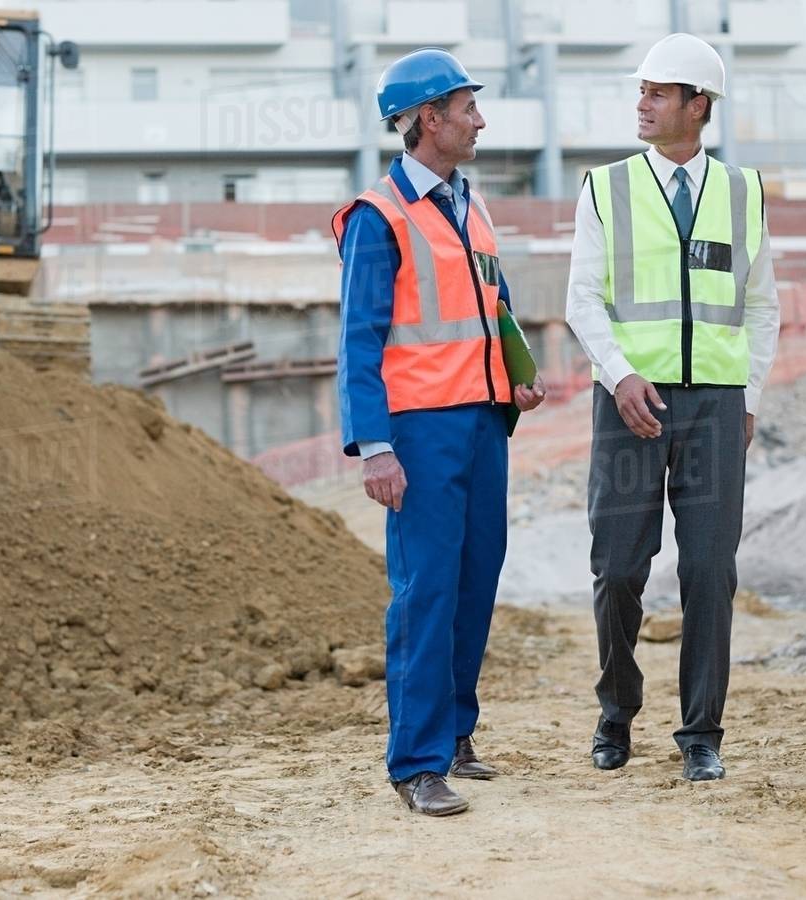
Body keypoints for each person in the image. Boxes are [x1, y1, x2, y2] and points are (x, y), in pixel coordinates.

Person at [333, 48, 546, 817]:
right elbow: (358, 341)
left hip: (486, 422)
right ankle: (416, 764)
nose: (479, 120)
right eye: (467, 108)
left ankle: (456, 734)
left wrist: (518, 371)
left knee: (474, 583)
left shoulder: (471, 205)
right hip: (418, 435)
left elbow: (497, 305)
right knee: (425, 593)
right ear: (430, 119)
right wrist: (375, 447)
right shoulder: (379, 216)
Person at [564, 33, 780, 782]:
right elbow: (581, 299)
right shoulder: (606, 187)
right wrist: (620, 376)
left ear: (699, 105)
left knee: (711, 570)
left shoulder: (742, 192)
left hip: (715, 411)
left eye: (658, 93)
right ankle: (617, 709)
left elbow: (761, 306)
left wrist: (747, 399)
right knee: (619, 568)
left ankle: (701, 734)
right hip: (631, 406)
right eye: (642, 91)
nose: (643, 104)